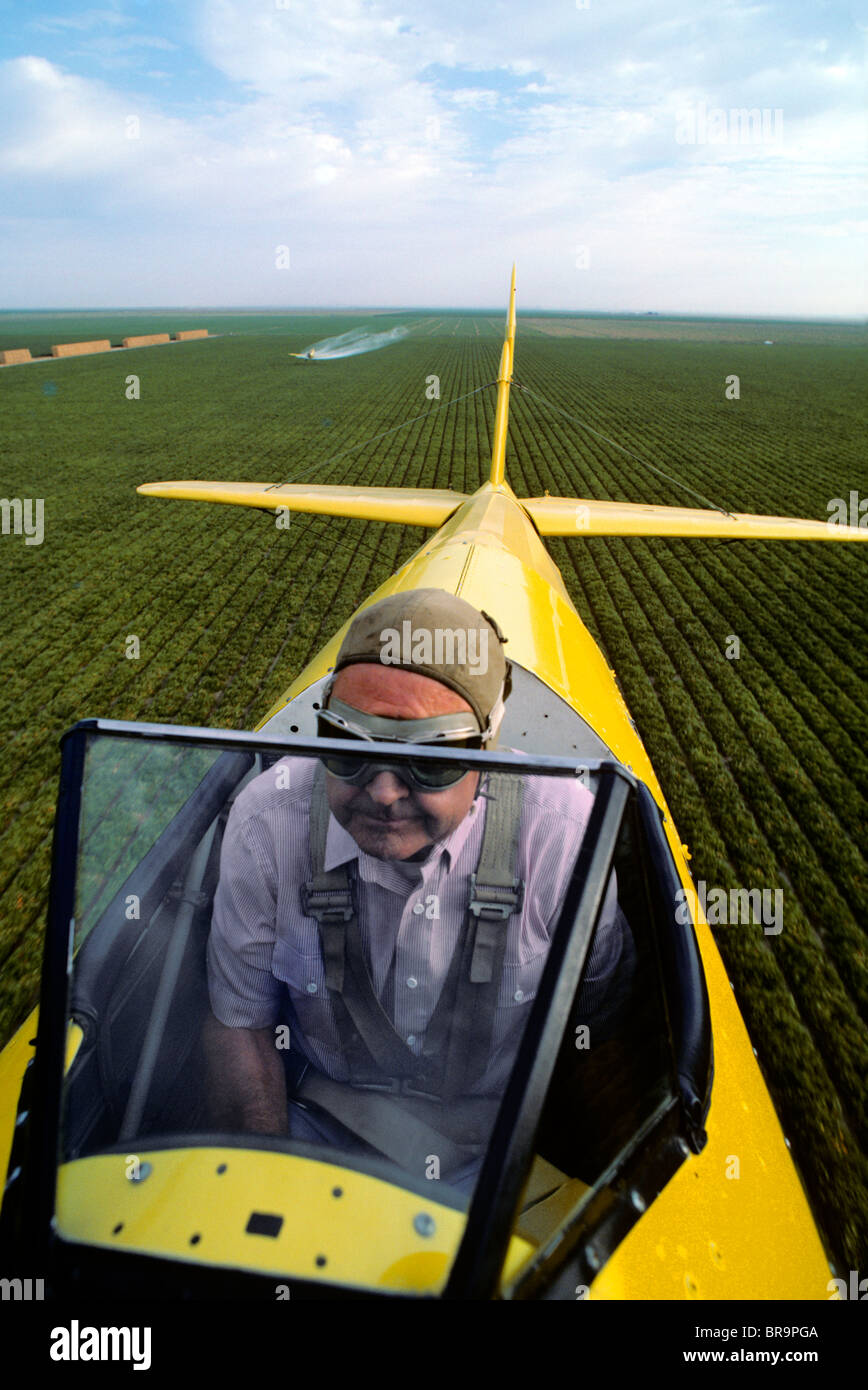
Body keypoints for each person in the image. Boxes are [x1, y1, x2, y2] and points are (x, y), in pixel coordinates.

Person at [203, 588, 634, 1178]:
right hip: (315, 1130)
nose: (383, 793)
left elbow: (599, 1034)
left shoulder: (564, 838)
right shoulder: (266, 820)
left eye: (431, 759)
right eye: (348, 746)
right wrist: (263, 1186)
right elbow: (244, 1028)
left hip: (496, 1154)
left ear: (488, 751)